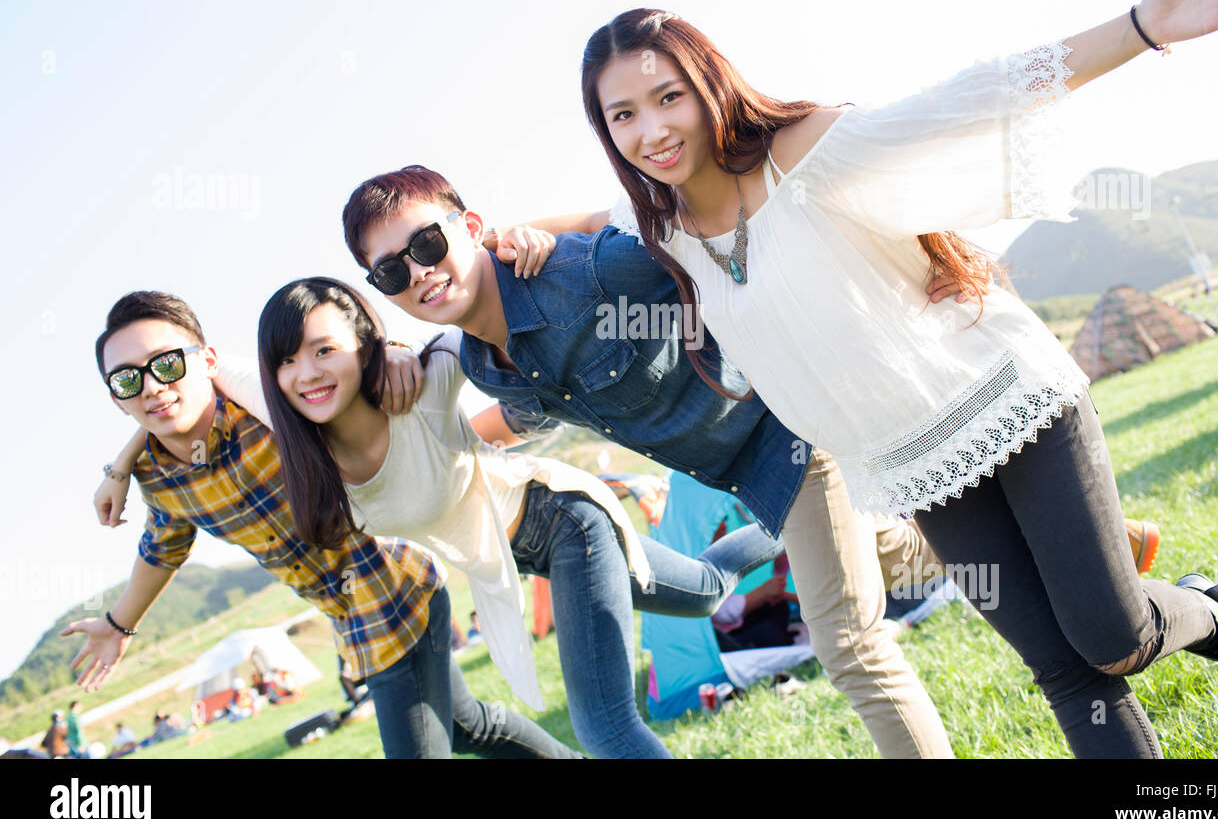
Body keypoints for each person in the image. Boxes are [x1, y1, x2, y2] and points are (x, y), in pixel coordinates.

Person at [570, 0, 1218, 757]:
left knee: (1111, 633)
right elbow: (577, 225)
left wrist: (1140, 25)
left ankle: (1213, 617)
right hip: (916, 462)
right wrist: (504, 242)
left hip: (1009, 398)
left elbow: (969, 99)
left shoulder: (802, 152)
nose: (651, 129)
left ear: (707, 84)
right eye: (622, 114)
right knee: (1063, 669)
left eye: (667, 97)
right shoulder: (659, 230)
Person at [340, 165, 957, 757]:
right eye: (392, 272)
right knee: (903, 557)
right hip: (749, 480)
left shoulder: (582, 274)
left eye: (427, 242)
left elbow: (690, 228)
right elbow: (515, 419)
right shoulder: (481, 366)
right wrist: (394, 352)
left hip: (790, 430)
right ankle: (977, 547)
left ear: (470, 227)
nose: (418, 272)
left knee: (849, 646)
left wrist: (912, 257)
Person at [248, 277, 787, 758]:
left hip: (564, 522)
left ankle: (801, 499)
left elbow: (473, 328)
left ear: (363, 349)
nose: (307, 373)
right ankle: (793, 513)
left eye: (324, 349)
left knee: (606, 729)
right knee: (708, 590)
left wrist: (396, 347)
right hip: (534, 554)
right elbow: (209, 371)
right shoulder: (302, 446)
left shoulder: (416, 391)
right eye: (287, 359)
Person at [78, 291, 579, 760]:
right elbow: (162, 546)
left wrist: (395, 351)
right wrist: (118, 624)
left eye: (166, 365)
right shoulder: (155, 475)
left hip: (395, 590)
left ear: (205, 360)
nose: (152, 387)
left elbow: (338, 372)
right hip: (348, 616)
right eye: (127, 380)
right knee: (472, 726)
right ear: (114, 397)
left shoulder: (274, 408)